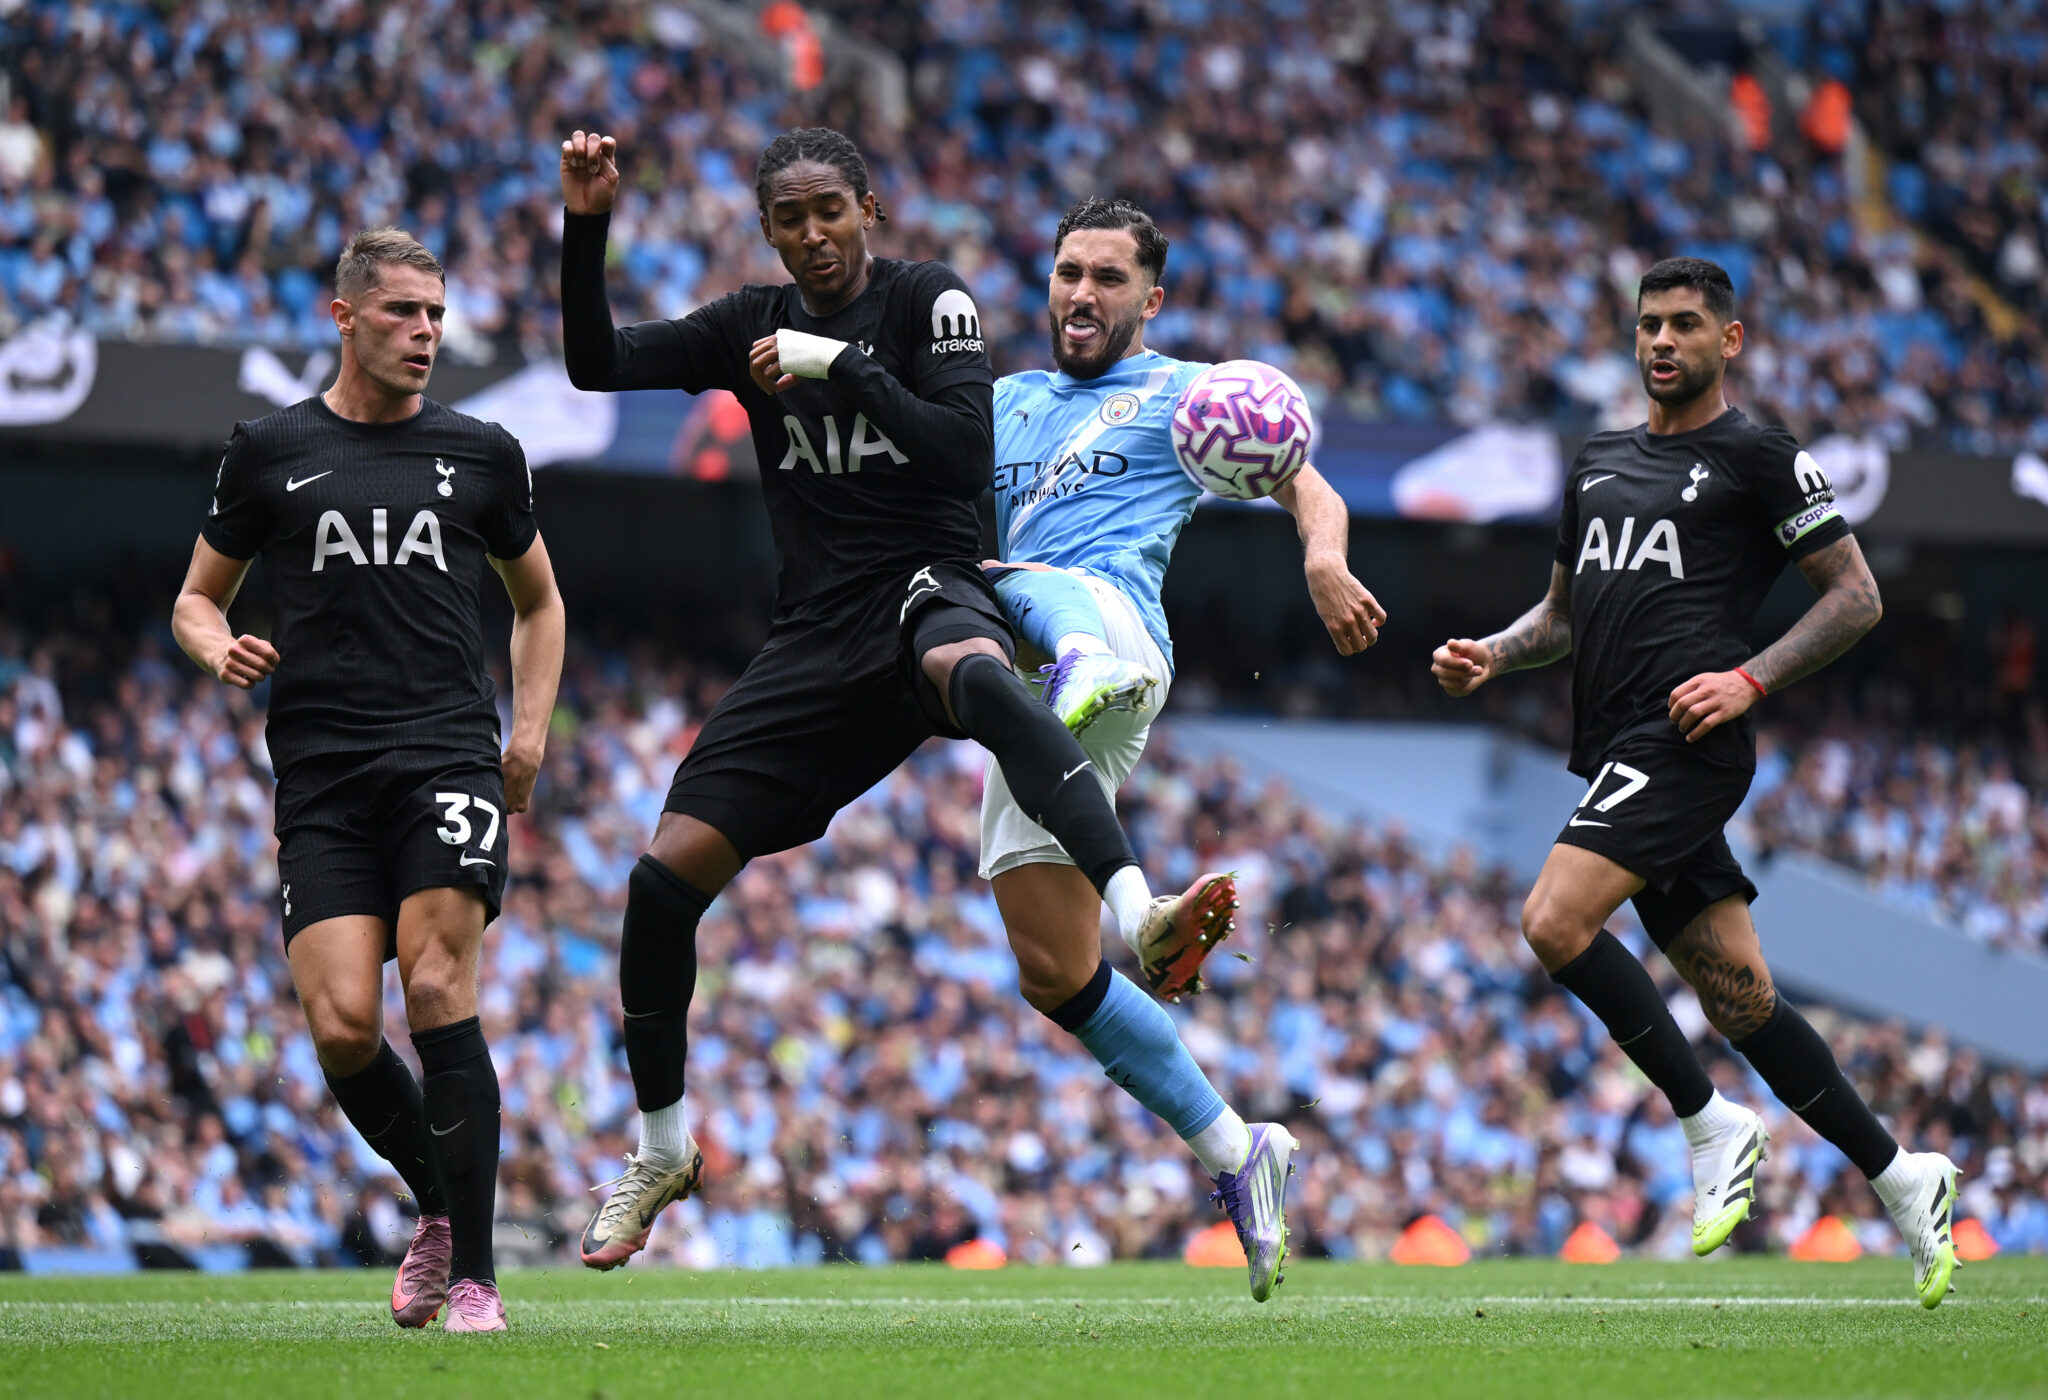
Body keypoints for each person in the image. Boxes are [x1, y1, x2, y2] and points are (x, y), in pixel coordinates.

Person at [558, 128, 1220, 1269]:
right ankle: (662, 1144)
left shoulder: (929, 303)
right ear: (767, 230)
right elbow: (593, 364)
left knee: (971, 677)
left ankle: (1130, 903)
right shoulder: (744, 323)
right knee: (662, 881)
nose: (812, 234)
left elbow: (961, 456)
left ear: (869, 208)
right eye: (788, 218)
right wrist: (586, 225)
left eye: (829, 210)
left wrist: (837, 366)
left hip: (930, 582)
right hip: (815, 634)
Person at [1431, 257, 1958, 1306]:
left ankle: (1705, 1120)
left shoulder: (1758, 453)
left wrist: (1748, 675)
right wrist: (1493, 651)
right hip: (1615, 742)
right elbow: (1564, 618)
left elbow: (1854, 596)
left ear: (1731, 339)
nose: (1659, 341)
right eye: (1645, 326)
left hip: (1683, 741)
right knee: (1739, 996)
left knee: (1549, 920)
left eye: (1681, 324)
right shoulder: (1594, 461)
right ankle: (1905, 1177)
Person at [979, 198, 1384, 1299]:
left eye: (1108, 278)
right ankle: (1233, 1144)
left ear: (1149, 300)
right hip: (1026, 688)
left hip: (1114, 641)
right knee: (1053, 971)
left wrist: (1321, 556)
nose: (1079, 294)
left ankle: (1083, 692)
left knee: (995, 585)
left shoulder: (1185, 395)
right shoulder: (1003, 402)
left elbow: (1306, 476)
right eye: (1067, 271)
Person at [171, 228, 565, 1332]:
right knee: (344, 1024)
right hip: (322, 772)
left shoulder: (483, 452)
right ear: (344, 318)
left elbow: (539, 601)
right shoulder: (269, 449)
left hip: (444, 750)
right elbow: (195, 597)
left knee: (436, 980)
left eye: (436, 313)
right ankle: (437, 1206)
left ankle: (479, 1276)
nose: (426, 332)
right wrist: (215, 646)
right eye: (402, 312)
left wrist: (524, 732)